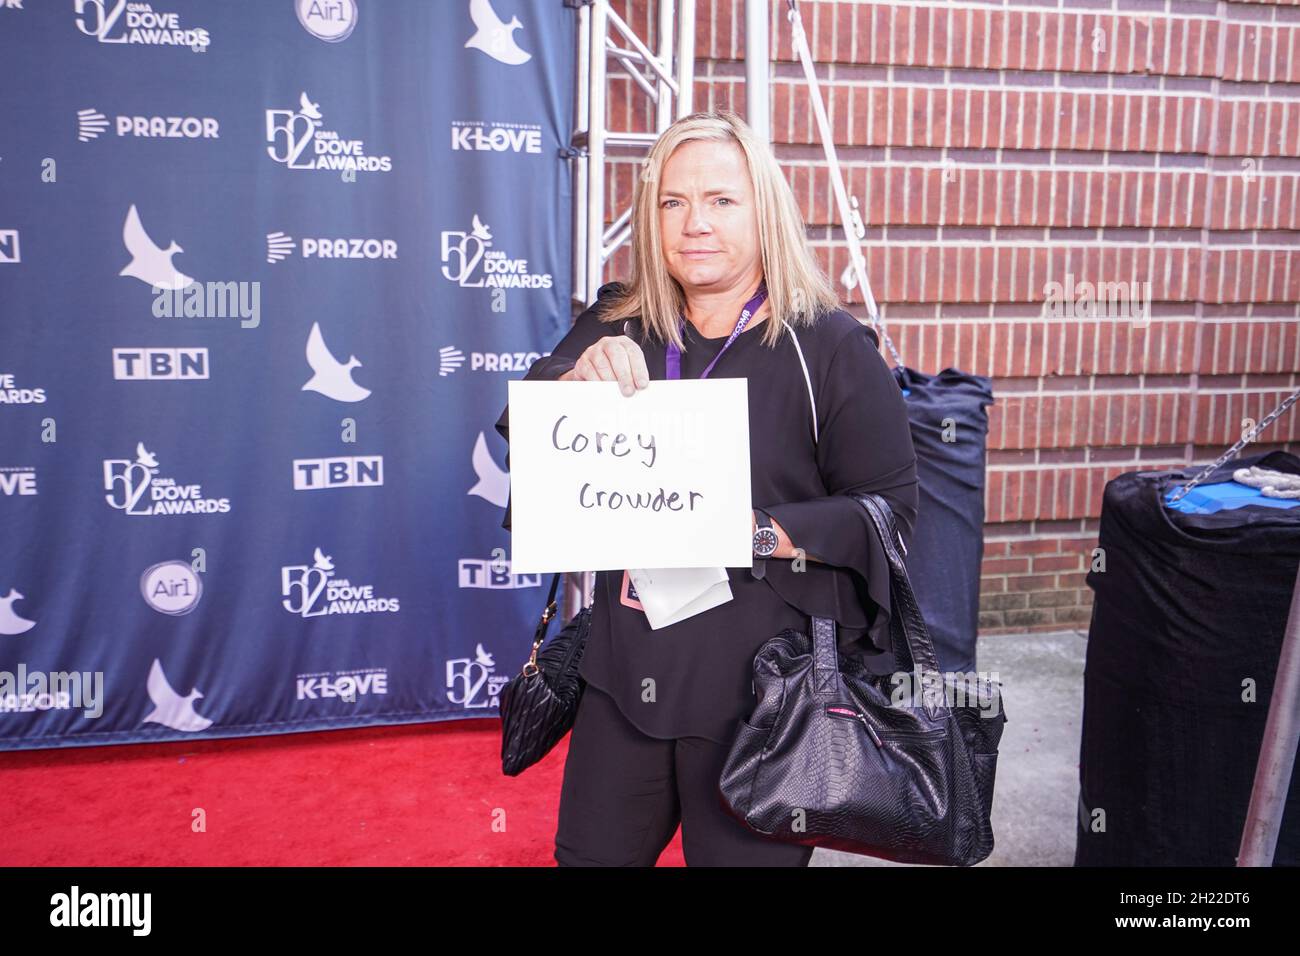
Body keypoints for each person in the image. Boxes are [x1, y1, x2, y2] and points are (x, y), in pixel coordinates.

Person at [494, 109, 918, 866]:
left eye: (722, 200)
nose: (695, 222)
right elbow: (528, 418)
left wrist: (752, 530)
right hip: (627, 670)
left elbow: (889, 512)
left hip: (763, 692)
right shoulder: (620, 320)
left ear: (765, 210)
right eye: (673, 201)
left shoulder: (830, 345)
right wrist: (573, 379)